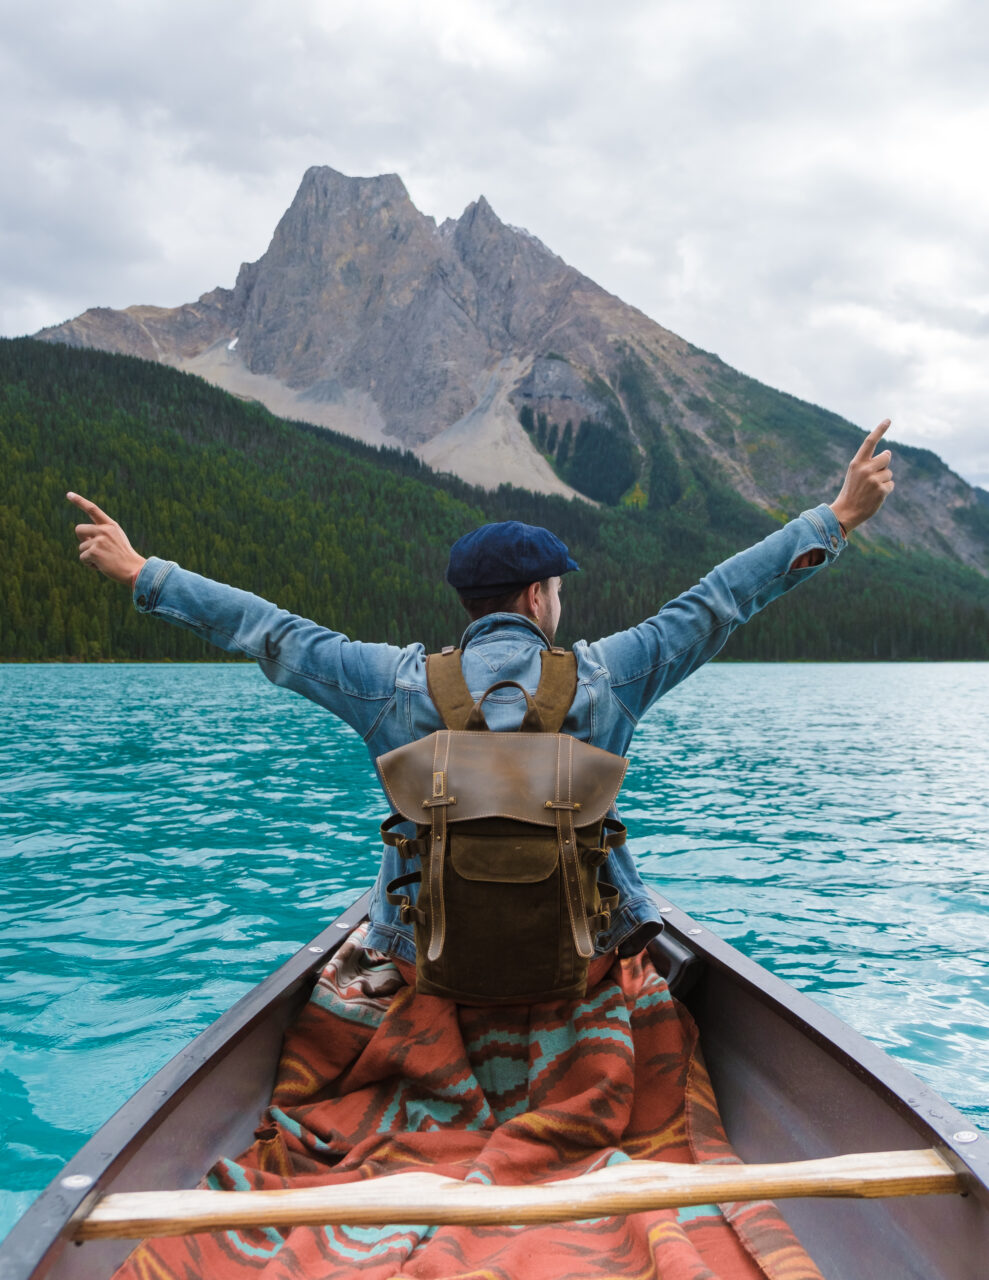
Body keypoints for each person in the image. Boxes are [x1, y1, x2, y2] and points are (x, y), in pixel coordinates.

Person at [67, 420, 894, 965]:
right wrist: (836, 517)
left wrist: (146, 573)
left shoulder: (391, 685)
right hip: (579, 957)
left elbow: (271, 632)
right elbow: (717, 601)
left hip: (430, 962)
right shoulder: (606, 677)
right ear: (537, 598)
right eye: (555, 590)